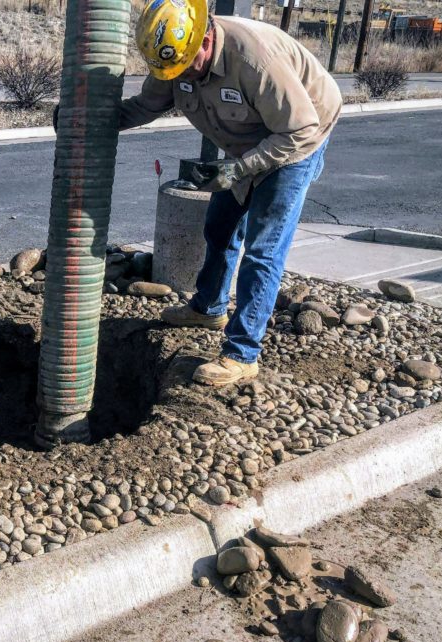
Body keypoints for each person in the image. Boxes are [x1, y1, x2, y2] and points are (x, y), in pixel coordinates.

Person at [121, 0, 342, 386]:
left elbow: (299, 129)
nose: (180, 75)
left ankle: (242, 353)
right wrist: (88, 117)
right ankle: (208, 307)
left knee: (263, 250)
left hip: (297, 140)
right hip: (249, 141)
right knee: (220, 227)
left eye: (186, 65)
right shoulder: (174, 55)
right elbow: (146, 105)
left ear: (205, 39)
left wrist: (238, 170)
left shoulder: (256, 62)